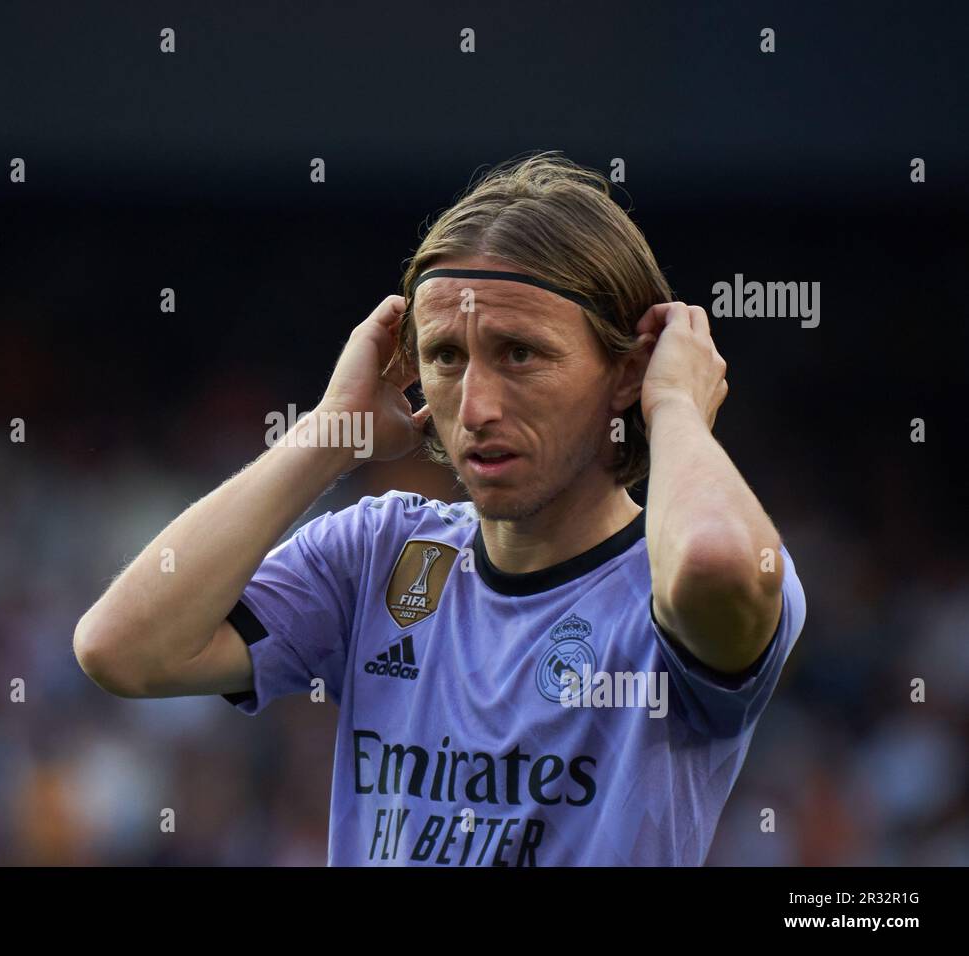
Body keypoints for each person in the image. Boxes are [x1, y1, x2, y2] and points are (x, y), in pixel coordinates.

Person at [74, 151, 806, 865]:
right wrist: (333, 433)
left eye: (519, 353)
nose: (476, 406)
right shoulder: (379, 550)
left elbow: (714, 562)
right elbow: (122, 649)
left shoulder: (669, 585)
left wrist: (674, 402)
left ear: (625, 373)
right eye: (447, 357)